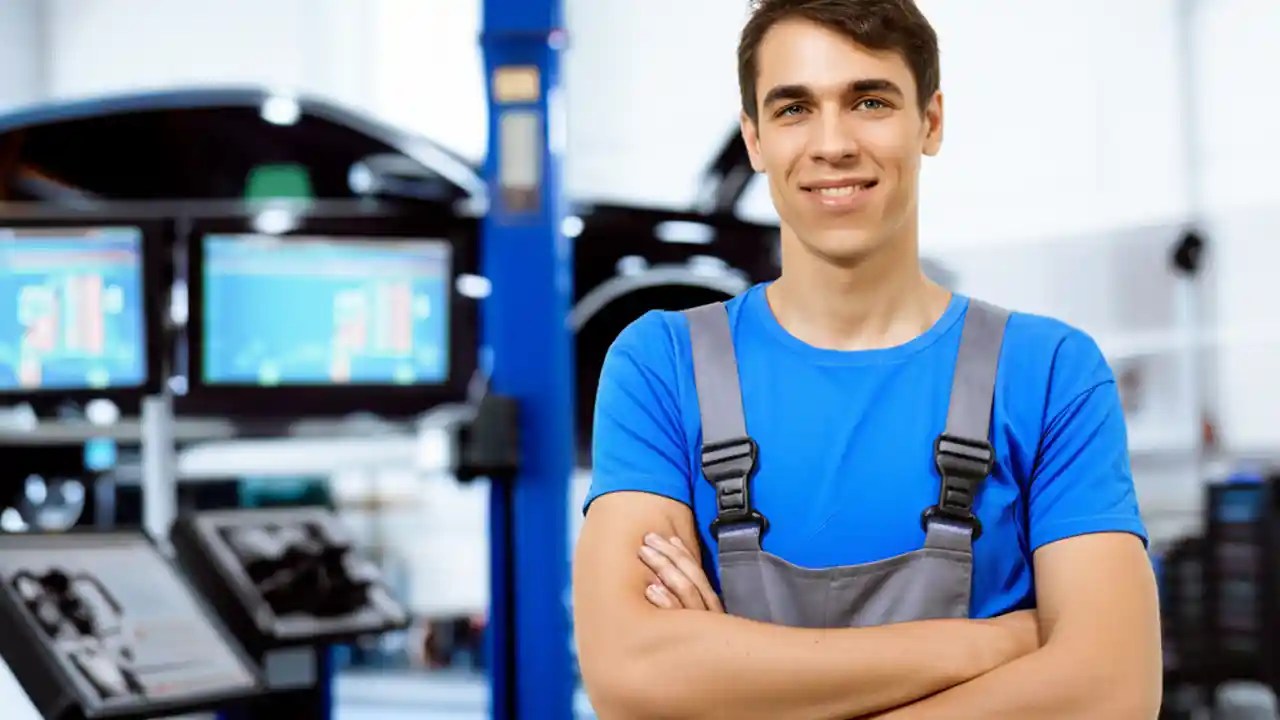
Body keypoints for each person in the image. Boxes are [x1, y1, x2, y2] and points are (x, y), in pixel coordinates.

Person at [571, 0, 1163, 717]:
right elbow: (632, 677)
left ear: (931, 122)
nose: (833, 144)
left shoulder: (1048, 374)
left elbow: (1110, 691)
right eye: (793, 109)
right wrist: (981, 647)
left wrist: (731, 676)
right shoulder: (662, 366)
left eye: (870, 101)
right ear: (754, 139)